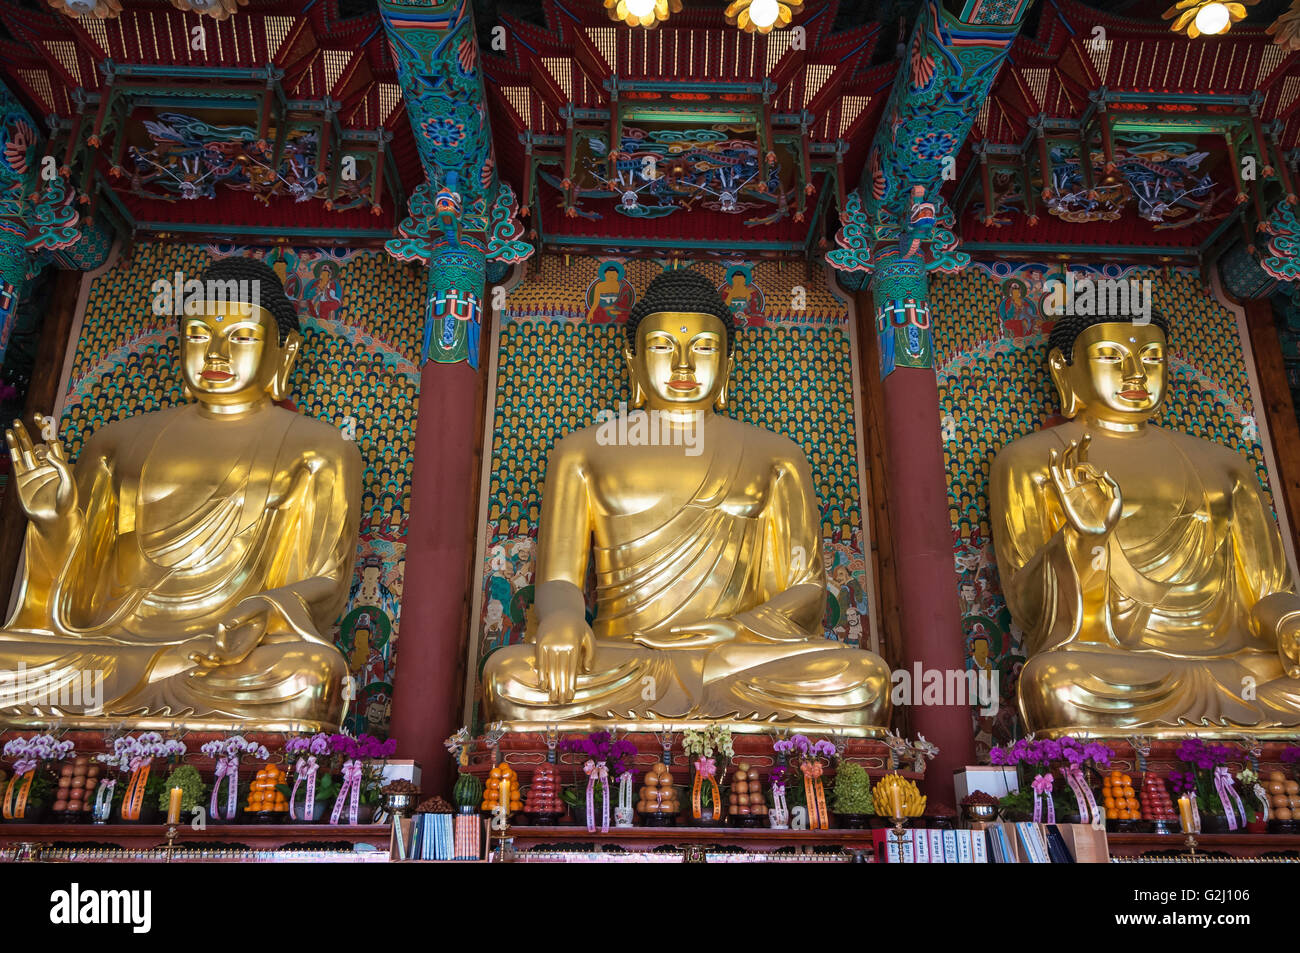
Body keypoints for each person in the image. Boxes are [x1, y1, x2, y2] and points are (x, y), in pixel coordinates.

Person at [0, 258, 359, 729]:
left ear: (284, 351)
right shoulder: (115, 442)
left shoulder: (320, 448)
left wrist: (261, 611)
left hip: (230, 652)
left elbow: (327, 582)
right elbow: (73, 597)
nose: (215, 353)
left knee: (309, 677)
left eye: (242, 336)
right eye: (197, 334)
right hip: (110, 644)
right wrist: (54, 523)